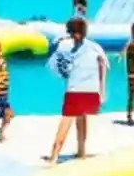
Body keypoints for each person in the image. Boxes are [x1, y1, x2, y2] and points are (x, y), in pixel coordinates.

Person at [46, 17, 108, 164]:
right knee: (76, 117)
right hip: (82, 89)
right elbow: (103, 67)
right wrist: (101, 90)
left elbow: (53, 65)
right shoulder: (90, 47)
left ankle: (68, 153)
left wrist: (102, 90)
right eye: (74, 33)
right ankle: (69, 152)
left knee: (74, 118)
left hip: (82, 89)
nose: (75, 36)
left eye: (75, 33)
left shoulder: (72, 47)